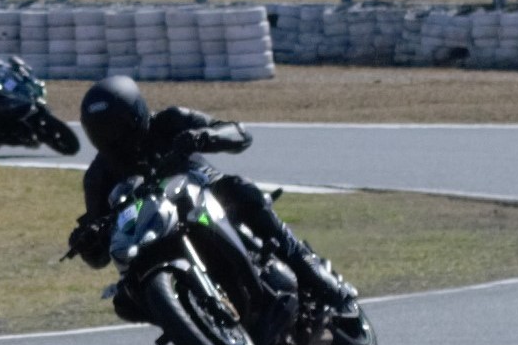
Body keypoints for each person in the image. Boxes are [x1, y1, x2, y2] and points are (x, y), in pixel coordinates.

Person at [62, 75, 355, 310]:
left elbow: (240, 134)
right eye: (102, 133)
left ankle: (314, 274)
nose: (114, 140)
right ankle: (192, 320)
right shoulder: (98, 177)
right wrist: (87, 239)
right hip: (157, 233)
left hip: (210, 199)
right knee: (126, 299)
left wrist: (205, 137)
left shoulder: (170, 122)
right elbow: (100, 251)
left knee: (243, 192)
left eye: (118, 129)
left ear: (136, 116)